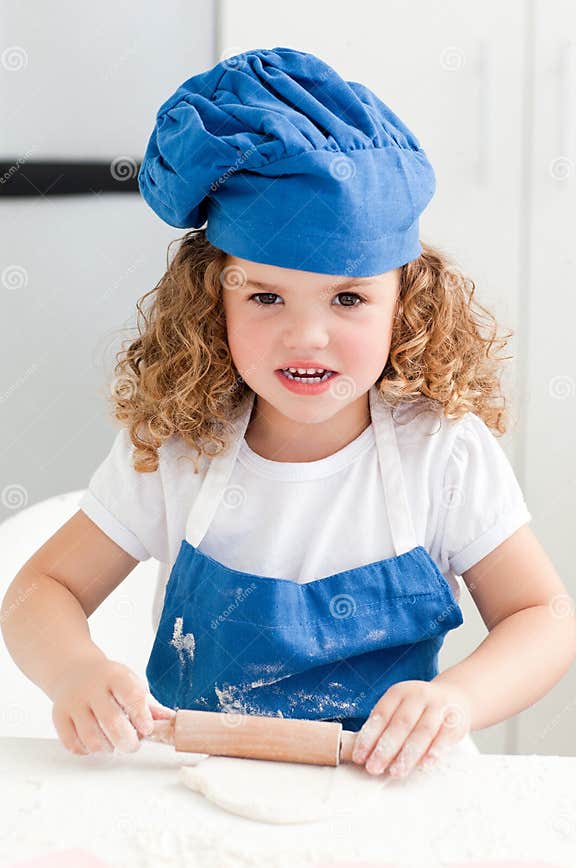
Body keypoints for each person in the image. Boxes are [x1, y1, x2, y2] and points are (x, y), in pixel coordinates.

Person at [3, 47, 575, 781]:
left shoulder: (442, 455)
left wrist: (456, 699)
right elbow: (38, 591)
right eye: (266, 297)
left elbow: (543, 619)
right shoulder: (185, 449)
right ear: (214, 303)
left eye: (348, 298)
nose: (307, 336)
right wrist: (73, 671)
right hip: (196, 787)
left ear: (408, 303)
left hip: (387, 796)